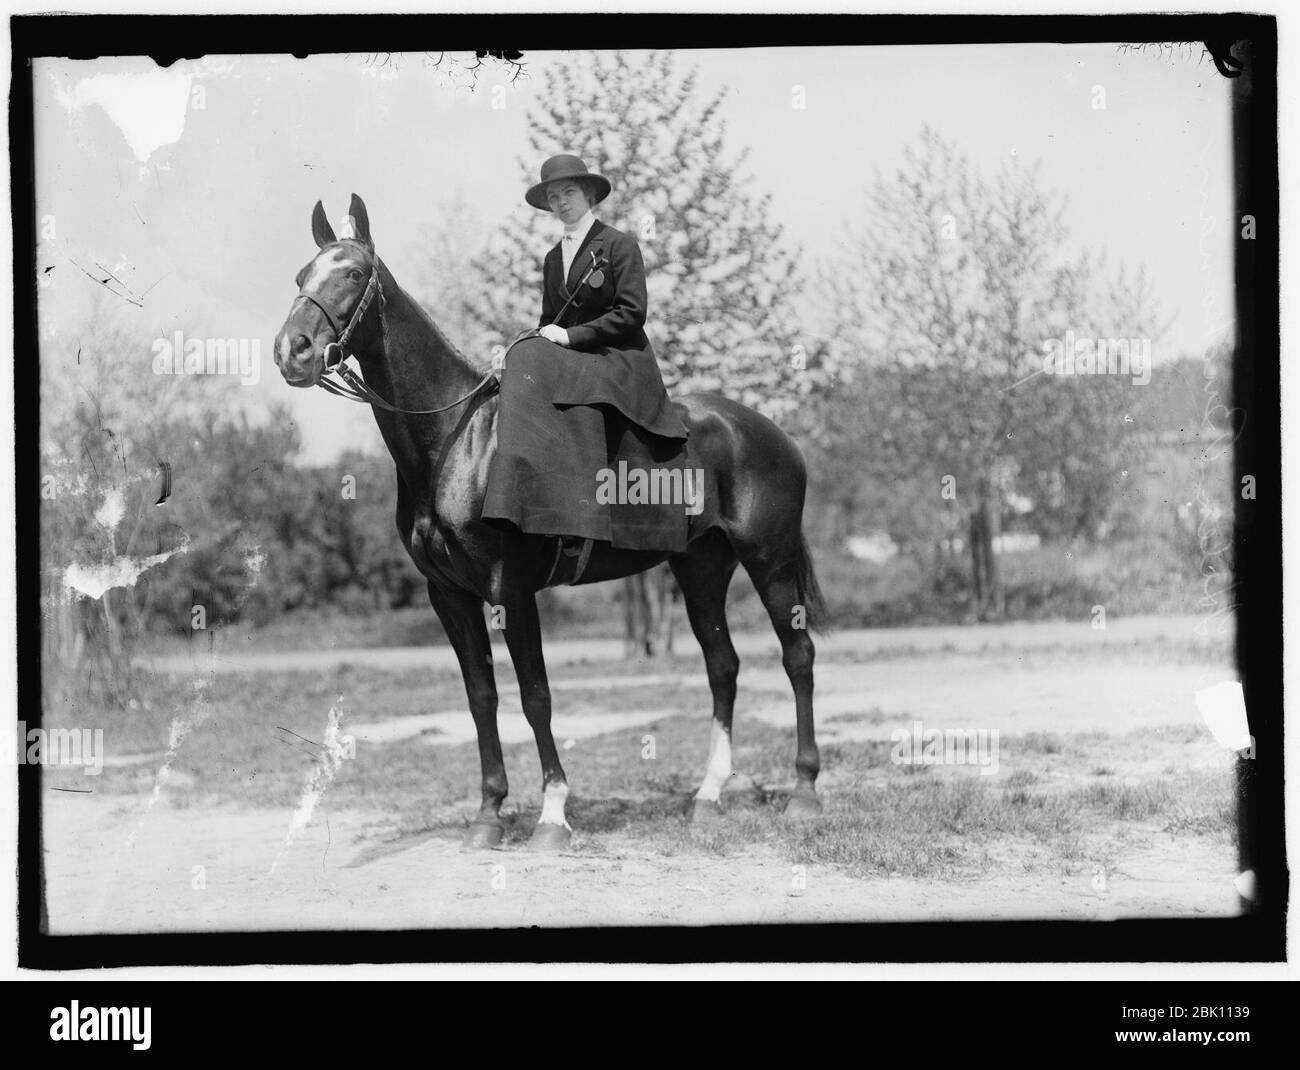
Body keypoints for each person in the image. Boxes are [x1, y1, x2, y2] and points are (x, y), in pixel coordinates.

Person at [481, 155, 691, 564]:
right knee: (524, 363)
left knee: (577, 394)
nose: (561, 202)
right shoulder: (551, 258)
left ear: (590, 195)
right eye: (554, 197)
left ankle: (583, 518)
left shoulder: (618, 245)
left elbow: (632, 313)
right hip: (572, 355)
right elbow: (549, 322)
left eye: (569, 193)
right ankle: (517, 503)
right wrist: (520, 351)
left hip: (619, 355)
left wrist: (573, 336)